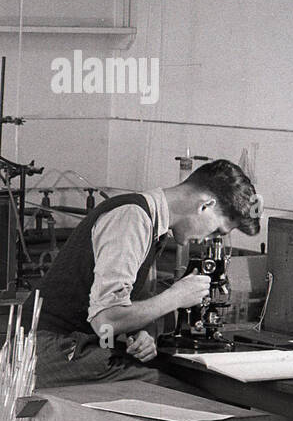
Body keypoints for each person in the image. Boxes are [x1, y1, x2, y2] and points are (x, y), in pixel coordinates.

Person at [34, 159, 261, 388]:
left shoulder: (153, 225)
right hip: (50, 351)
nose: (208, 240)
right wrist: (176, 297)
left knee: (188, 385)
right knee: (193, 398)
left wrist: (145, 334)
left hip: (76, 346)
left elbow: (133, 302)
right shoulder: (132, 218)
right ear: (205, 206)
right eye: (217, 231)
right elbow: (107, 321)